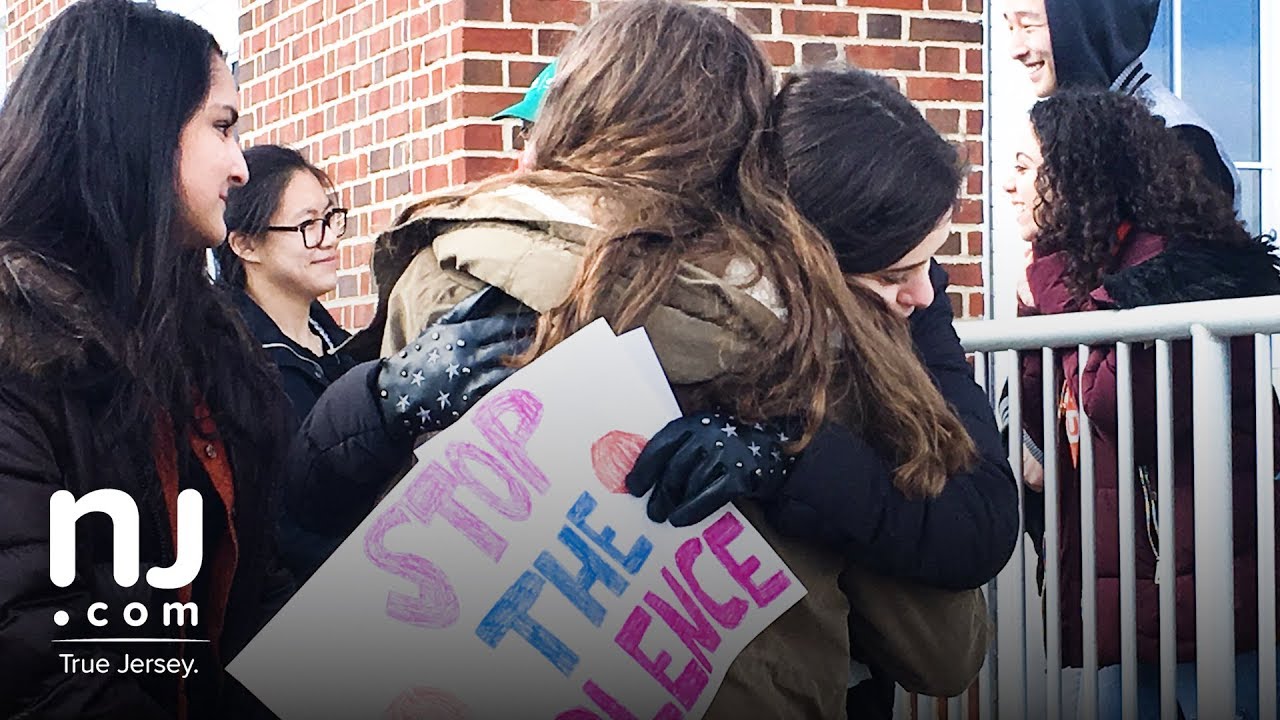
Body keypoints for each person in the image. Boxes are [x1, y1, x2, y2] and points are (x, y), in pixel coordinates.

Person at [289, 2, 990, 716]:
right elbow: (943, 650)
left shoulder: (443, 279)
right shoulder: (805, 336)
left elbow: (342, 551)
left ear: (570, 114)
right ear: (750, 152)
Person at [625, 65, 1020, 718]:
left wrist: (792, 457)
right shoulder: (697, 319)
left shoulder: (912, 308)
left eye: (931, 259)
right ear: (809, 256)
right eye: (895, 273)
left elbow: (980, 518)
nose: (924, 293)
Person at [0, 1, 293, 717]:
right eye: (221, 126)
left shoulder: (199, 343)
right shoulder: (18, 353)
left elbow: (255, 580)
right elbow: (38, 662)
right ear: (139, 127)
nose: (240, 166)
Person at [1007, 88, 1280, 720]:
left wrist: (1046, 283)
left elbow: (1118, 404)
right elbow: (1040, 438)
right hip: (1139, 586)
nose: (1009, 187)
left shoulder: (1169, 267)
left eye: (1024, 167)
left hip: (1208, 592)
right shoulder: (1087, 267)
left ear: (1076, 174)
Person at [1003, 0, 1238, 205]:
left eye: (1028, 26)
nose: (1015, 50)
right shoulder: (1076, 133)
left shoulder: (1177, 138)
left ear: (1087, 23)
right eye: (1010, 27)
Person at [216, 144, 359, 425]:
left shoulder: (345, 350)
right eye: (308, 224)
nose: (330, 239)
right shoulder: (234, 366)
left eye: (329, 218)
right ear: (245, 245)